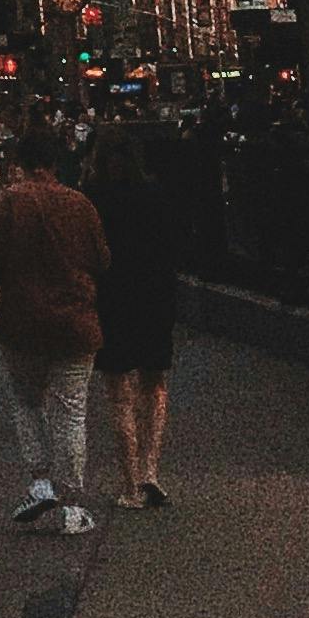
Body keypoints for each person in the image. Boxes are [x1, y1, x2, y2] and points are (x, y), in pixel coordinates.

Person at [0, 128, 109, 538]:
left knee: (28, 403)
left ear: (19, 161)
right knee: (72, 411)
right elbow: (101, 260)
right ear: (54, 162)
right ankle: (72, 505)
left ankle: (40, 480)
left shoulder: (9, 203)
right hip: (74, 321)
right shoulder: (79, 204)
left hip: (22, 321)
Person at [88, 123, 183, 511]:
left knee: (118, 392)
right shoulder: (157, 194)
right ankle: (150, 471)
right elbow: (175, 245)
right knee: (155, 383)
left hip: (112, 296)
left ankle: (128, 482)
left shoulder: (93, 197)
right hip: (155, 294)